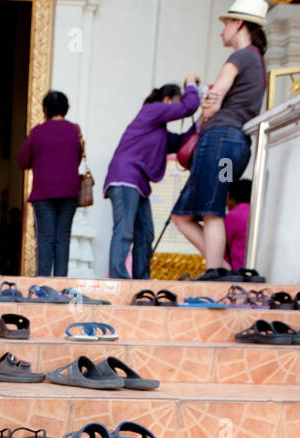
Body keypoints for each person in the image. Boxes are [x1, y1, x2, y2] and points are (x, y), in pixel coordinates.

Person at [171, 0, 268, 281]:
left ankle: (215, 271)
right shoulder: (257, 60)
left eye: (226, 24)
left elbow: (213, 102)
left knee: (212, 210)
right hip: (234, 147)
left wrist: (206, 104)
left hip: (219, 141)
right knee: (185, 214)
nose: (221, 31)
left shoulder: (240, 57)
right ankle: (221, 266)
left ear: (239, 23)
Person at [103, 77, 201, 280]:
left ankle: (140, 281)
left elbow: (182, 141)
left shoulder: (158, 130)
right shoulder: (152, 110)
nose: (177, 108)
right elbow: (188, 107)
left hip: (137, 184)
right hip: (125, 178)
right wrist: (192, 85)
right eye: (176, 101)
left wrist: (203, 121)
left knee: (145, 234)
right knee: (124, 230)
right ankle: (118, 279)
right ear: (167, 101)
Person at [18, 90, 84, 277]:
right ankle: (61, 283)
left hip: (44, 192)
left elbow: (23, 161)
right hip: (69, 191)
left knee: (45, 238)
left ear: (45, 109)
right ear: (66, 109)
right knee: (63, 238)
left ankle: (44, 283)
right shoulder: (74, 130)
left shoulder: (37, 132)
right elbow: (77, 158)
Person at [224, 178, 252, 272]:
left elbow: (221, 246)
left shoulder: (232, 216)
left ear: (232, 197)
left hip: (236, 271)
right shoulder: (257, 213)